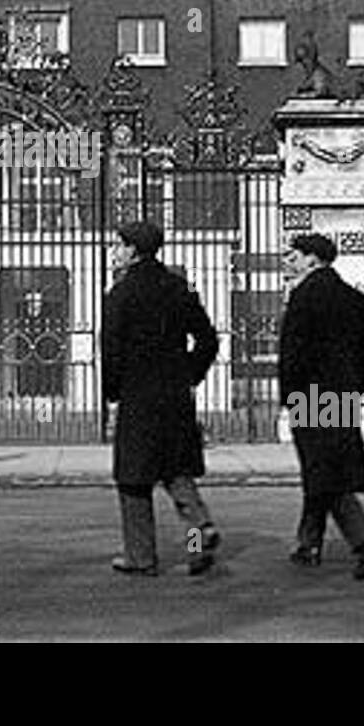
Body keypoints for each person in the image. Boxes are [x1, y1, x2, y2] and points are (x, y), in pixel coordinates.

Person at [102, 220, 221, 576]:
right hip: (174, 394)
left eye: (120, 245)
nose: (116, 252)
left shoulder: (120, 294)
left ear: (134, 250)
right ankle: (197, 539)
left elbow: (110, 349)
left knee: (134, 480)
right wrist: (189, 372)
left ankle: (141, 557)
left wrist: (112, 390)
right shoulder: (177, 288)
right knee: (176, 473)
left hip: (138, 396)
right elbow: (208, 340)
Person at [279, 233, 364, 579]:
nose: (287, 260)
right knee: (325, 468)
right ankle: (307, 543)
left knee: (323, 472)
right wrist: (356, 386)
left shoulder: (303, 297)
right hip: (340, 395)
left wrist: (290, 396)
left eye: (294, 255)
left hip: (310, 396)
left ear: (313, 259)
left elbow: (292, 355)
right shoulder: (355, 299)